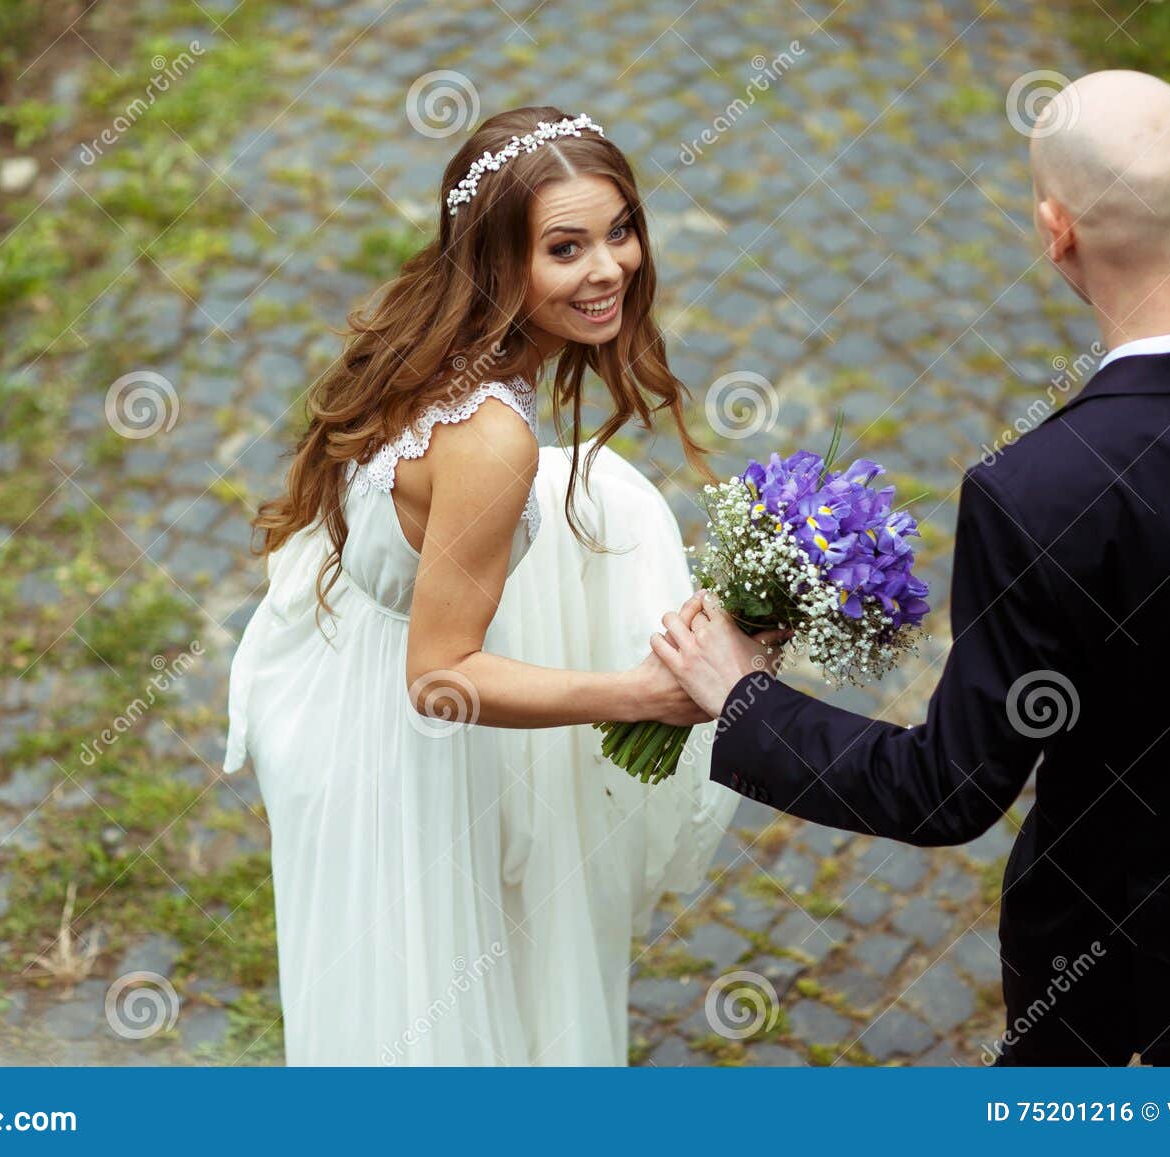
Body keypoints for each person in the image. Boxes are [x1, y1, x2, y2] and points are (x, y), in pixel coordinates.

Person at [653, 71, 1170, 1065]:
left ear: (1053, 229)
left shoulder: (1037, 491)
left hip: (1114, 981)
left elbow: (945, 788)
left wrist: (745, 697)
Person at [220, 107, 780, 1065]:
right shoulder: (492, 439)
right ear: (495, 261)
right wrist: (640, 693)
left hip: (340, 680)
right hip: (399, 747)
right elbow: (441, 675)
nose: (608, 268)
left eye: (620, 231)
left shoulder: (429, 333)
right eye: (565, 247)